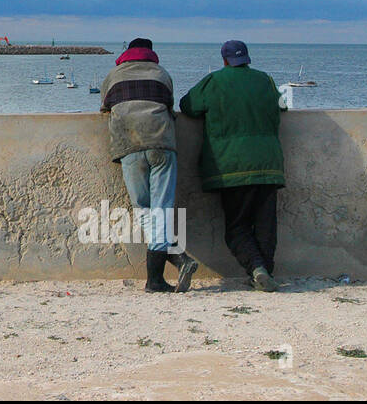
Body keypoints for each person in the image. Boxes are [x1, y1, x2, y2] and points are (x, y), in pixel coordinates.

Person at [179, 40, 287, 292]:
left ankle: (257, 269)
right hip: (268, 164)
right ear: (247, 58)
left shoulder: (213, 81)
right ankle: (264, 273)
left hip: (232, 166)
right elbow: (282, 107)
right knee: (265, 225)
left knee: (237, 227)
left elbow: (188, 106)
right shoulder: (266, 81)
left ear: (225, 60)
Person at [100, 37, 199, 293]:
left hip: (129, 146)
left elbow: (105, 108)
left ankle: (168, 269)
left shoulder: (113, 76)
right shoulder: (162, 74)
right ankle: (171, 266)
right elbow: (169, 106)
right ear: (150, 55)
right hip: (161, 144)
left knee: (142, 209)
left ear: (127, 54)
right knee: (161, 210)